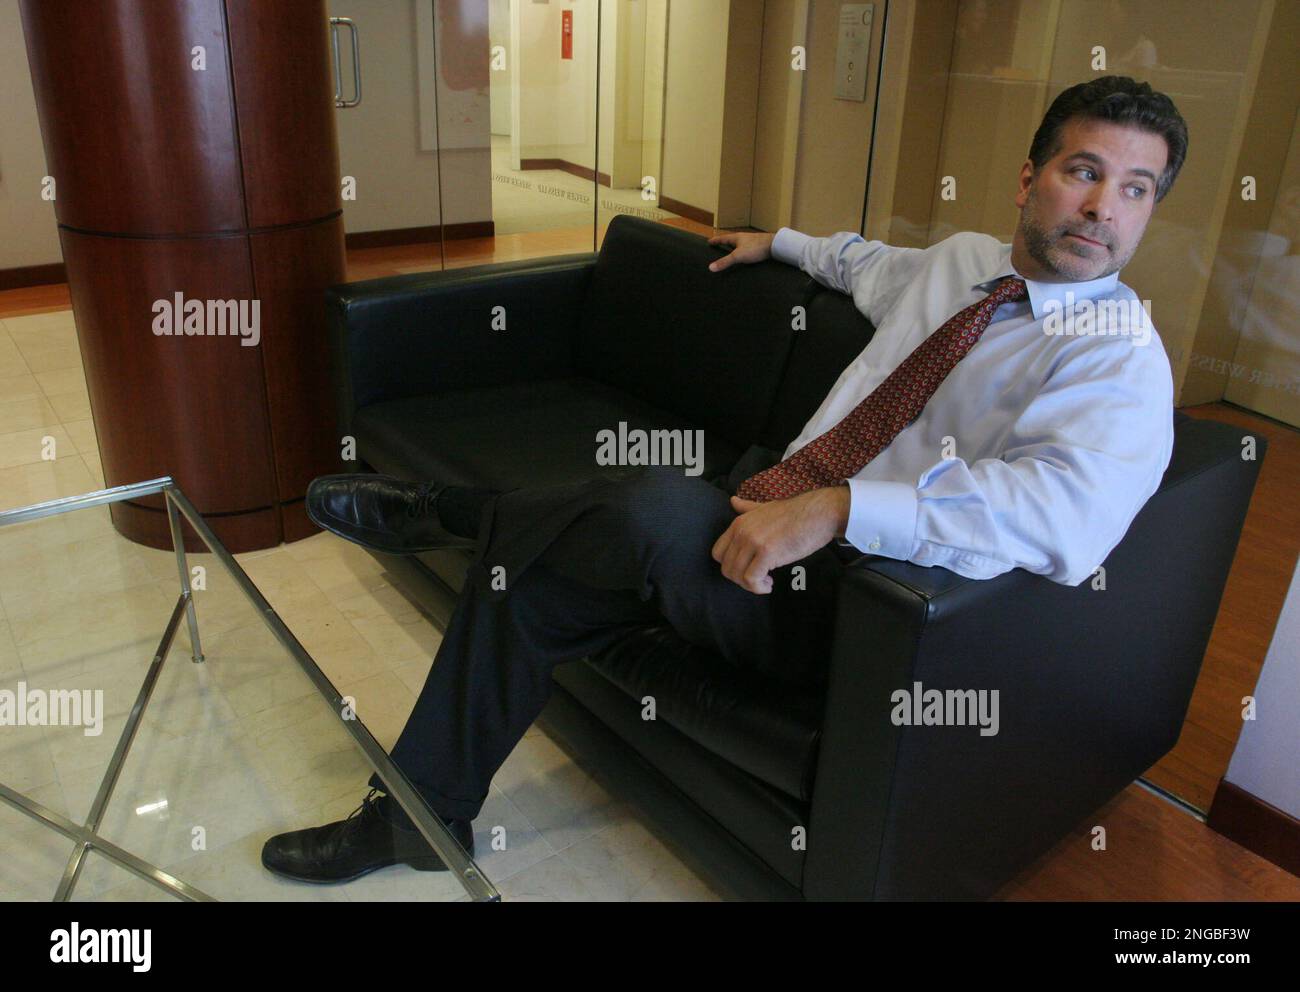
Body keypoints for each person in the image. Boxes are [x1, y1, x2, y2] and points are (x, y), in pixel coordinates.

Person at [261, 75, 1187, 883]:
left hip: (856, 603)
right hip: (765, 503)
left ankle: (446, 513)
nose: (1105, 206)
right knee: (530, 577)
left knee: (655, 502)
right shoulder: (960, 267)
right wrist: (774, 241)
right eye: (1085, 171)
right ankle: (420, 814)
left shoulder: (1118, 359)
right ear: (1031, 180)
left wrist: (842, 509)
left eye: (1136, 190)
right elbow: (859, 263)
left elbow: (1065, 518)